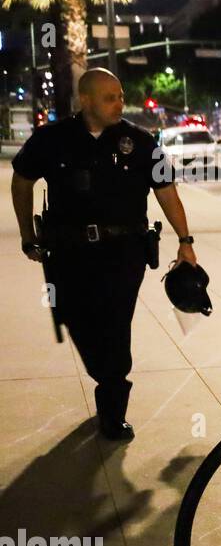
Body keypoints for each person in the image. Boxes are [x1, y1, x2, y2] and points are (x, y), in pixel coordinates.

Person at [10, 68, 198, 442]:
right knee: (78, 320)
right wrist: (27, 236)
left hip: (123, 253)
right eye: (109, 97)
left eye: (120, 95)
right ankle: (104, 373)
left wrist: (185, 240)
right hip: (68, 253)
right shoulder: (51, 140)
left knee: (115, 324)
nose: (119, 103)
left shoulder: (141, 142)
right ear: (86, 100)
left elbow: (166, 190)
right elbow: (22, 180)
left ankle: (113, 408)